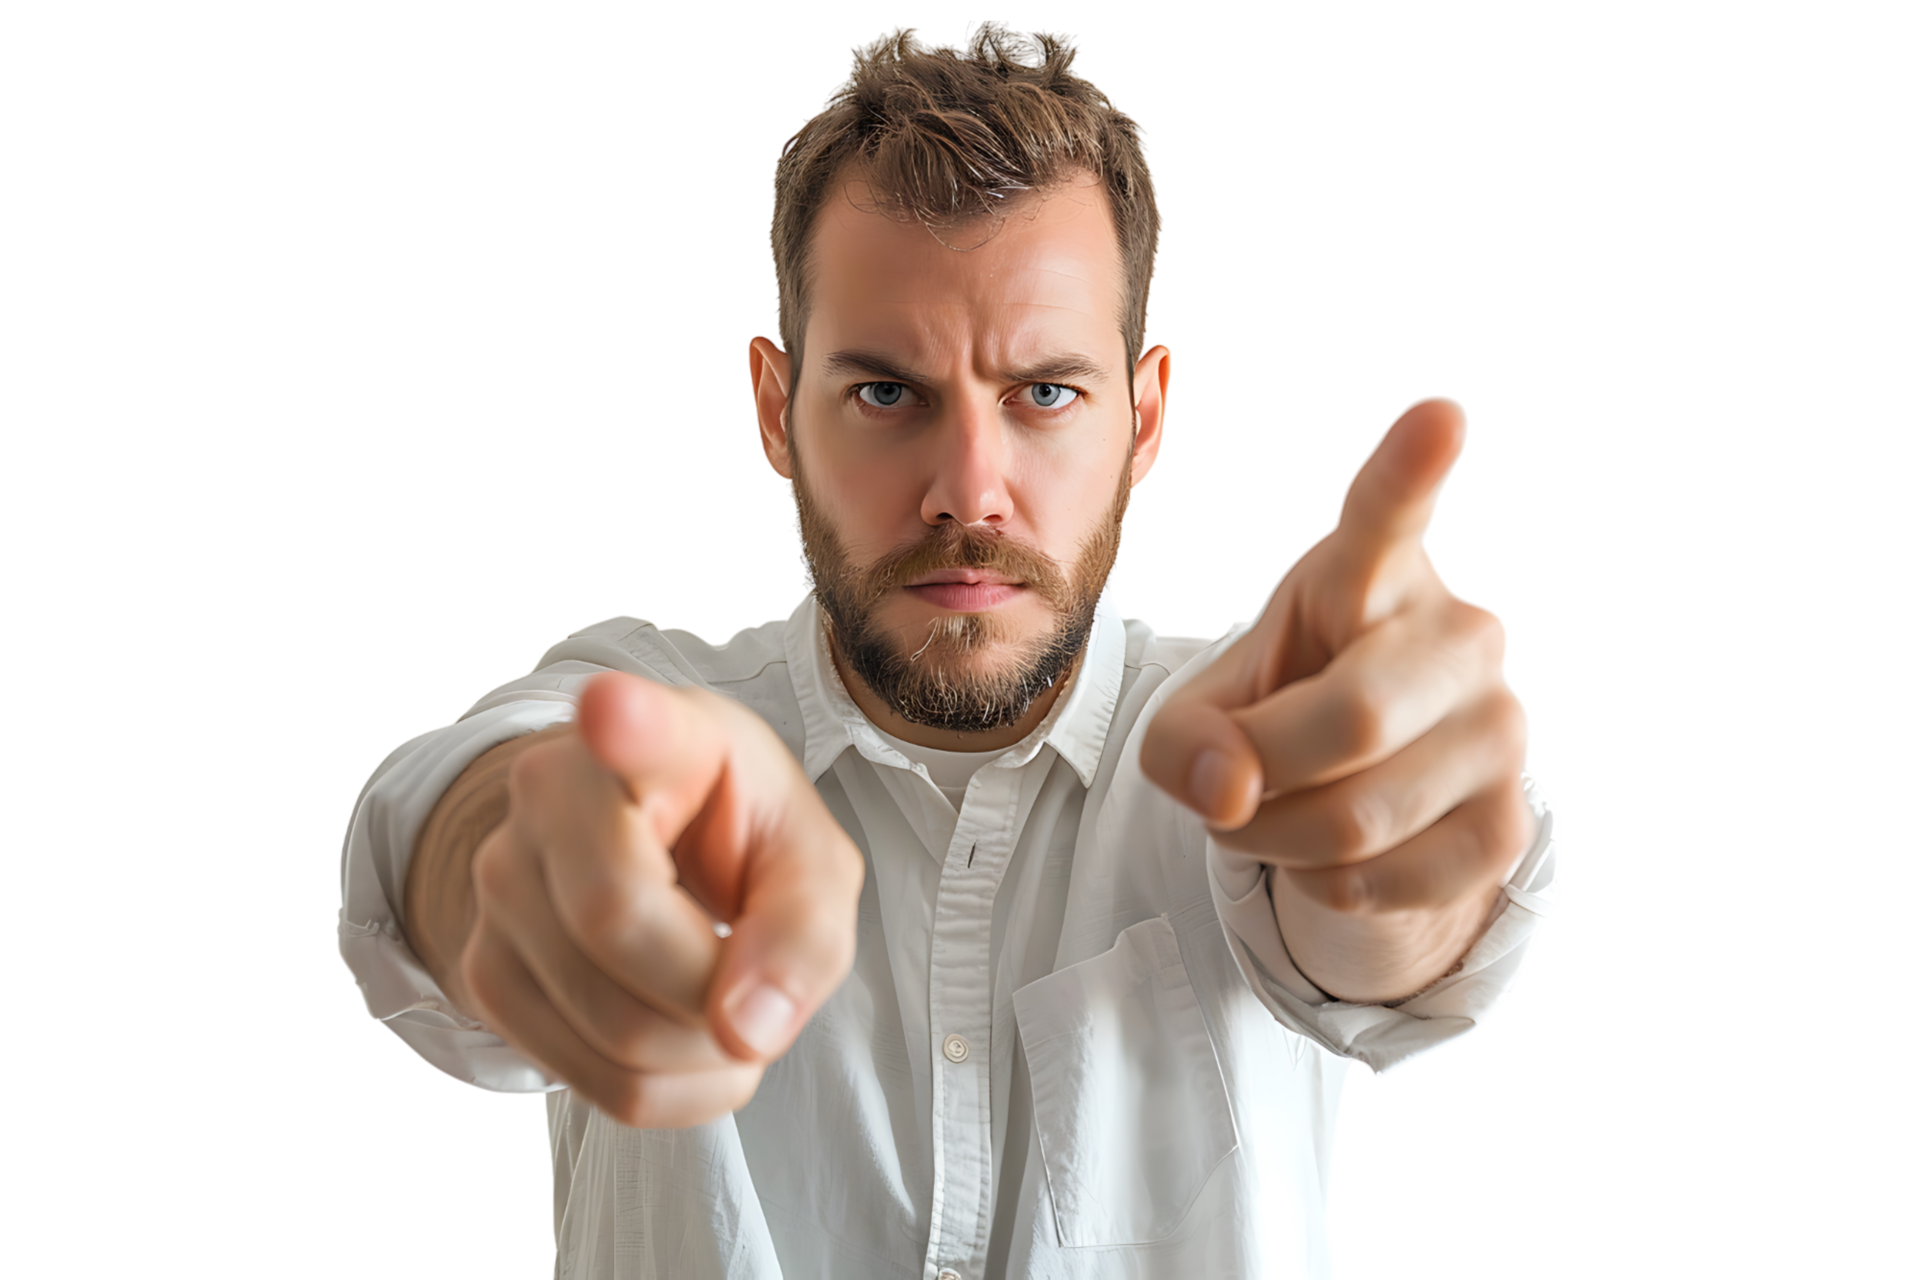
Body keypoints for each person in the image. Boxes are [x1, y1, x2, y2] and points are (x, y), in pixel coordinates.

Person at [337, 25, 1556, 1279]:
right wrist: (524, 853)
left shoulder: (1262, 722)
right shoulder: (648, 698)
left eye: (1044, 394)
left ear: (1143, 427)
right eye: (886, 393)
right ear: (775, 416)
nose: (968, 491)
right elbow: (461, 811)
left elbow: (1373, 945)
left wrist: (1391, 863)